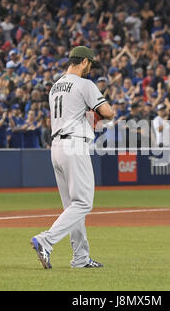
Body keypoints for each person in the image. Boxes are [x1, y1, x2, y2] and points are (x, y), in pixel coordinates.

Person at [30, 46, 114, 269]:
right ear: (84, 62)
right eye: (90, 64)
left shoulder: (55, 86)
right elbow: (108, 112)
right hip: (74, 145)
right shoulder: (85, 84)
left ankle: (80, 258)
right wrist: (93, 116)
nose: (90, 69)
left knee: (72, 207)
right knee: (84, 203)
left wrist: (87, 116)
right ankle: (45, 241)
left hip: (56, 146)